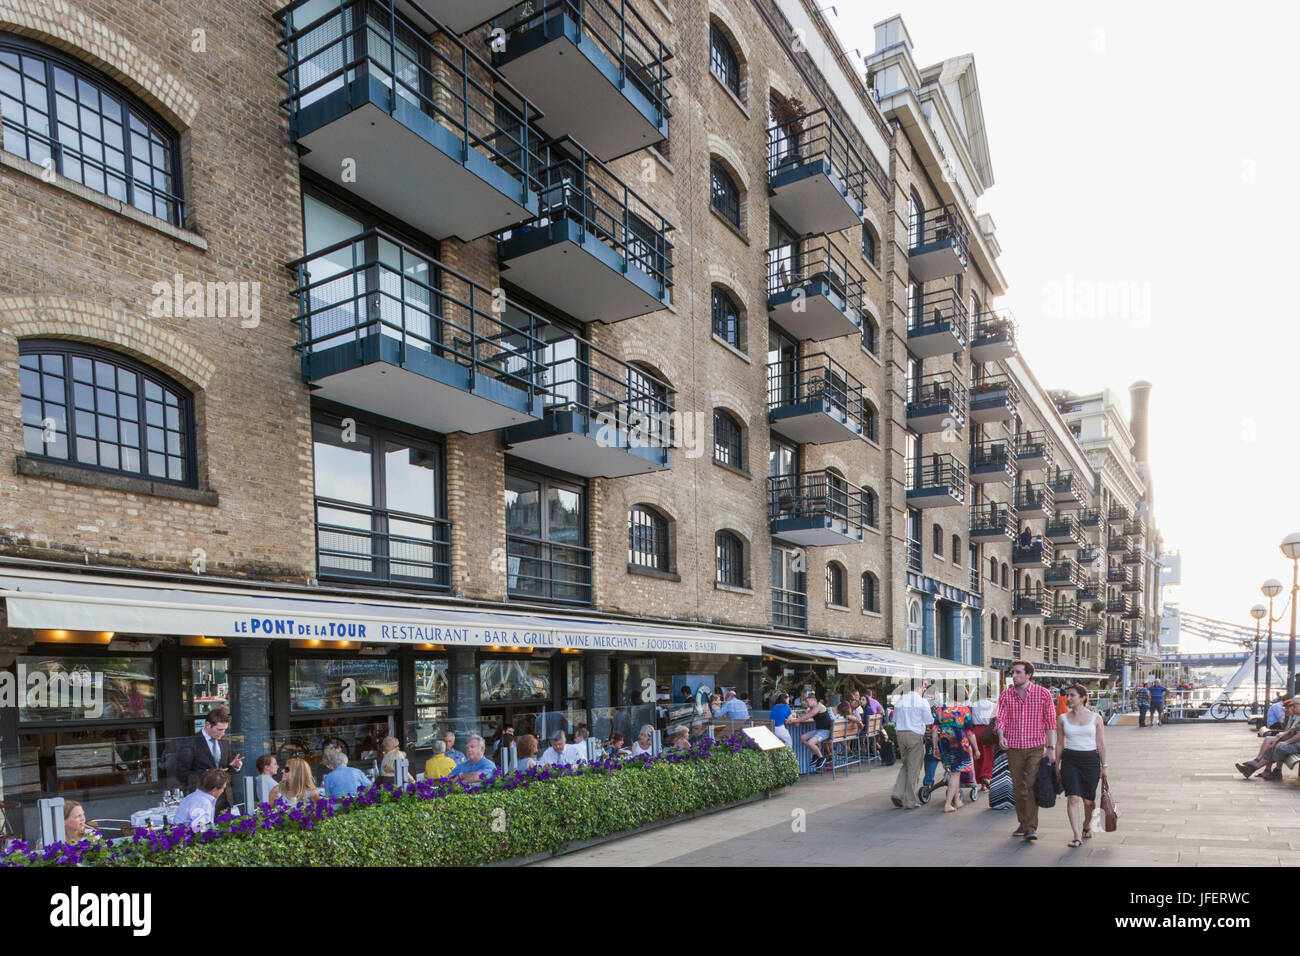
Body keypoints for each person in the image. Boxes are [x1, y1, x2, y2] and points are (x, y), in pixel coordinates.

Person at [995, 660, 1056, 842]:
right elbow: (1001, 719)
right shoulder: (1006, 695)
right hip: (1013, 746)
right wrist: (1001, 736)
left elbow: (1050, 723)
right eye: (1012, 672)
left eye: (1018, 672)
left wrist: (1051, 748)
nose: (1013, 675)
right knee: (1018, 787)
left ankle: (1030, 827)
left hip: (1036, 747)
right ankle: (1023, 822)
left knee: (1029, 785)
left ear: (1028, 675)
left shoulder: (1043, 694)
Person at [1056, 684, 1107, 847]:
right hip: (1070, 759)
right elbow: (1059, 744)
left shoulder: (1096, 718)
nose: (1068, 698)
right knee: (1073, 798)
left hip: (1091, 760)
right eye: (1068, 695)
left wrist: (1104, 766)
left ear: (1083, 698)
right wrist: (1057, 765)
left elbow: (1100, 743)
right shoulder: (1062, 718)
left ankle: (1086, 825)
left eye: (1072, 695)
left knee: (1088, 801)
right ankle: (1077, 835)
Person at [174, 706, 243, 812]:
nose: (223, 733)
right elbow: (181, 773)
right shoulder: (191, 743)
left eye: (225, 729)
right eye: (219, 729)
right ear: (207, 725)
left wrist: (235, 767)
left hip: (224, 798)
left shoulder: (224, 742)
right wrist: (208, 774)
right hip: (200, 799)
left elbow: (225, 770)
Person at [931, 685, 979, 813]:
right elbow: (969, 732)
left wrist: (935, 747)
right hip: (959, 744)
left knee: (953, 771)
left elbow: (935, 730)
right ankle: (948, 804)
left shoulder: (940, 709)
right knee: (955, 773)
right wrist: (976, 748)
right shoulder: (964, 710)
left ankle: (957, 800)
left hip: (944, 743)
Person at [890, 679, 934, 809]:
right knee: (914, 768)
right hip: (914, 735)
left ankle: (898, 793)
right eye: (924, 688)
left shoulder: (900, 700)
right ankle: (910, 801)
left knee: (906, 765)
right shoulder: (921, 701)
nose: (924, 690)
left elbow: (895, 719)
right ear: (919, 687)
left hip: (900, 735)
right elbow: (929, 720)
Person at [1236, 700, 1299, 778]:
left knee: (1277, 746)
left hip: (1294, 741)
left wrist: (1286, 741)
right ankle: (1258, 766)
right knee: (1271, 742)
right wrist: (1281, 738)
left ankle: (1256, 767)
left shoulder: (1296, 716)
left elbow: (1295, 733)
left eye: (1294, 707)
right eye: (1291, 707)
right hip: (1292, 739)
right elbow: (1290, 730)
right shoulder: (1295, 716)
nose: (1292, 709)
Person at [793, 693, 833, 770]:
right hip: (819, 731)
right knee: (803, 738)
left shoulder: (818, 707)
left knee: (811, 742)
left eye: (807, 701)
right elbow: (805, 717)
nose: (806, 703)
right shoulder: (812, 708)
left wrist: (794, 720)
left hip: (825, 731)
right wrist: (798, 720)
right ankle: (815, 755)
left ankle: (821, 758)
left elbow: (806, 717)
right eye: (806, 702)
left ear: (814, 700)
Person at [971, 688, 997, 789]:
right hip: (988, 730)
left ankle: (981, 782)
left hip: (976, 730)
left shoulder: (974, 705)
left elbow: (972, 719)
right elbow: (994, 719)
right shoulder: (993, 705)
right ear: (989, 694)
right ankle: (986, 776)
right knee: (989, 755)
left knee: (978, 755)